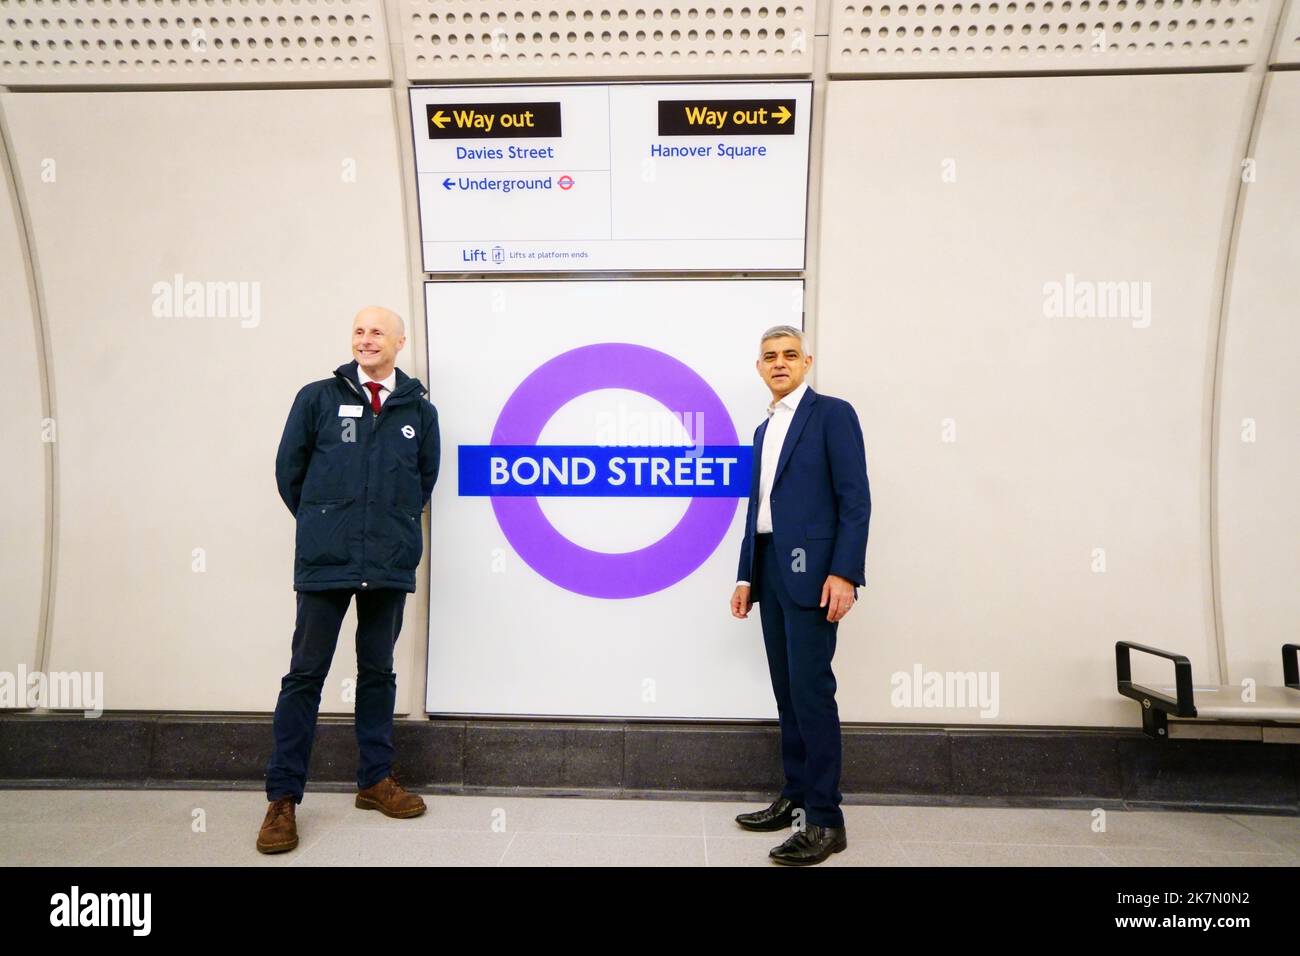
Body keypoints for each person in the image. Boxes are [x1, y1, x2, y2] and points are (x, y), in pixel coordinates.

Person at [256, 306, 440, 854]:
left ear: (399, 342)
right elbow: (290, 472)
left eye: (377, 331)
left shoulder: (418, 410)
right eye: (358, 331)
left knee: (378, 672)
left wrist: (388, 525)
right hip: (326, 560)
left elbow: (422, 479)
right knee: (304, 676)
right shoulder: (317, 397)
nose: (365, 339)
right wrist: (326, 521)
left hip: (387, 563)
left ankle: (374, 780)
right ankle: (282, 800)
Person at [730, 324, 871, 866]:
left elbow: (855, 500)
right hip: (770, 571)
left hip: (815, 576)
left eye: (790, 354)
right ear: (760, 367)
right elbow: (757, 512)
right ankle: (795, 795)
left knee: (812, 693)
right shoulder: (763, 431)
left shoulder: (833, 414)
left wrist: (845, 573)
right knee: (787, 692)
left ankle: (825, 820)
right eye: (770, 356)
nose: (780, 362)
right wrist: (746, 576)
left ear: (807, 362)